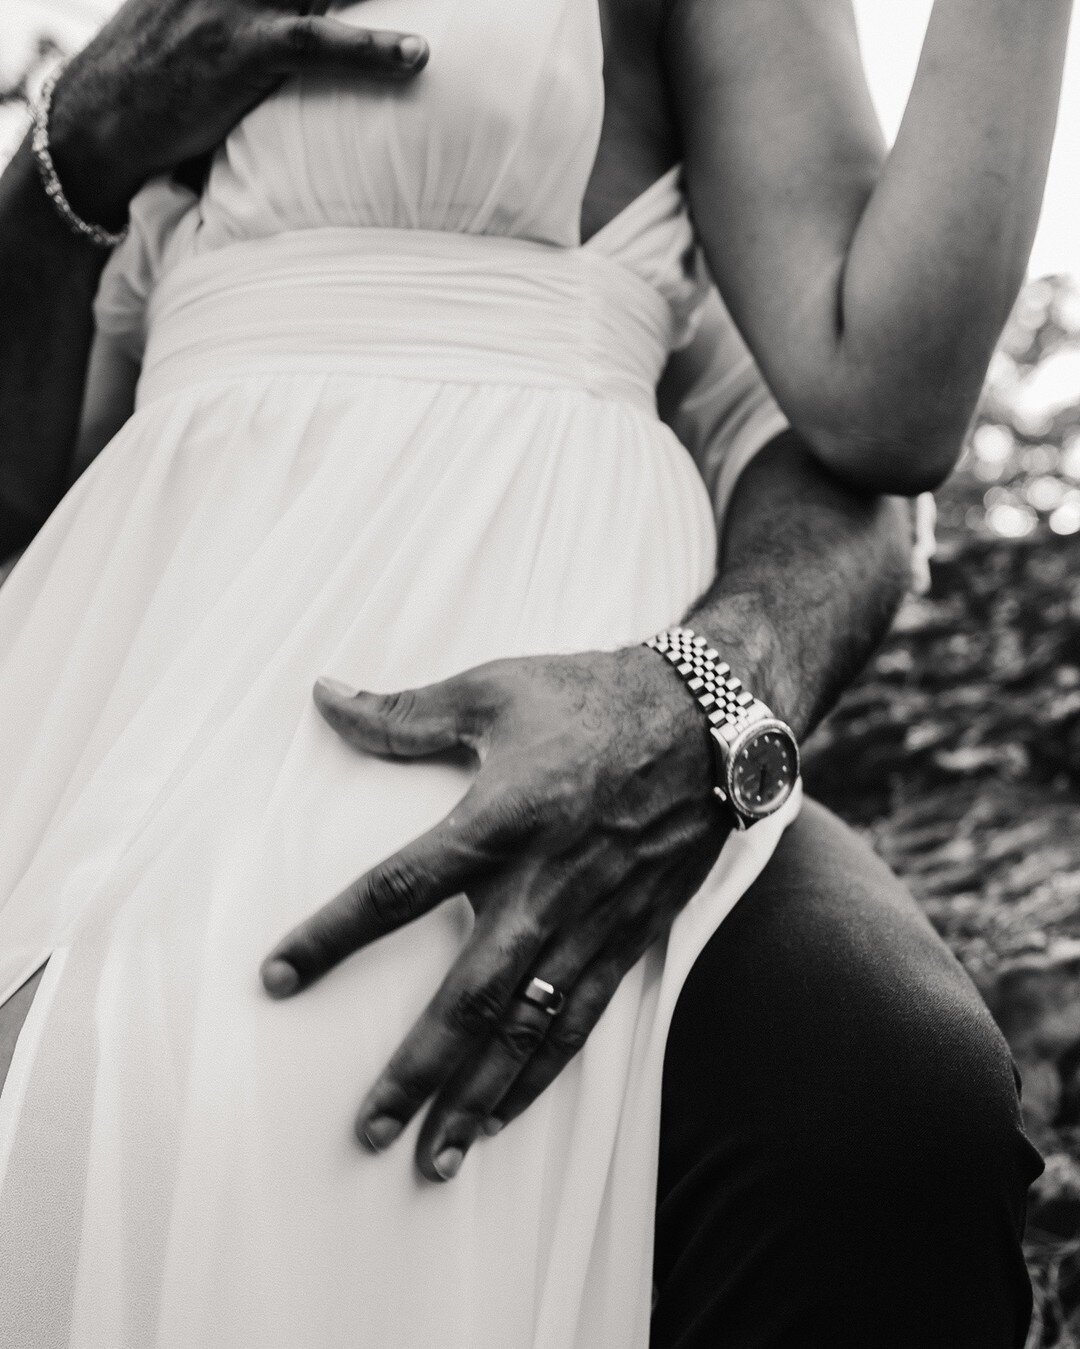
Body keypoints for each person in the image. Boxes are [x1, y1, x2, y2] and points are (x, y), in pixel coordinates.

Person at [0, 0, 1065, 1343]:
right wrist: (74, 151)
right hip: (133, 655)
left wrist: (705, 695)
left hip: (544, 623)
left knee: (889, 1102)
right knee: (96, 1091)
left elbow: (872, 414)